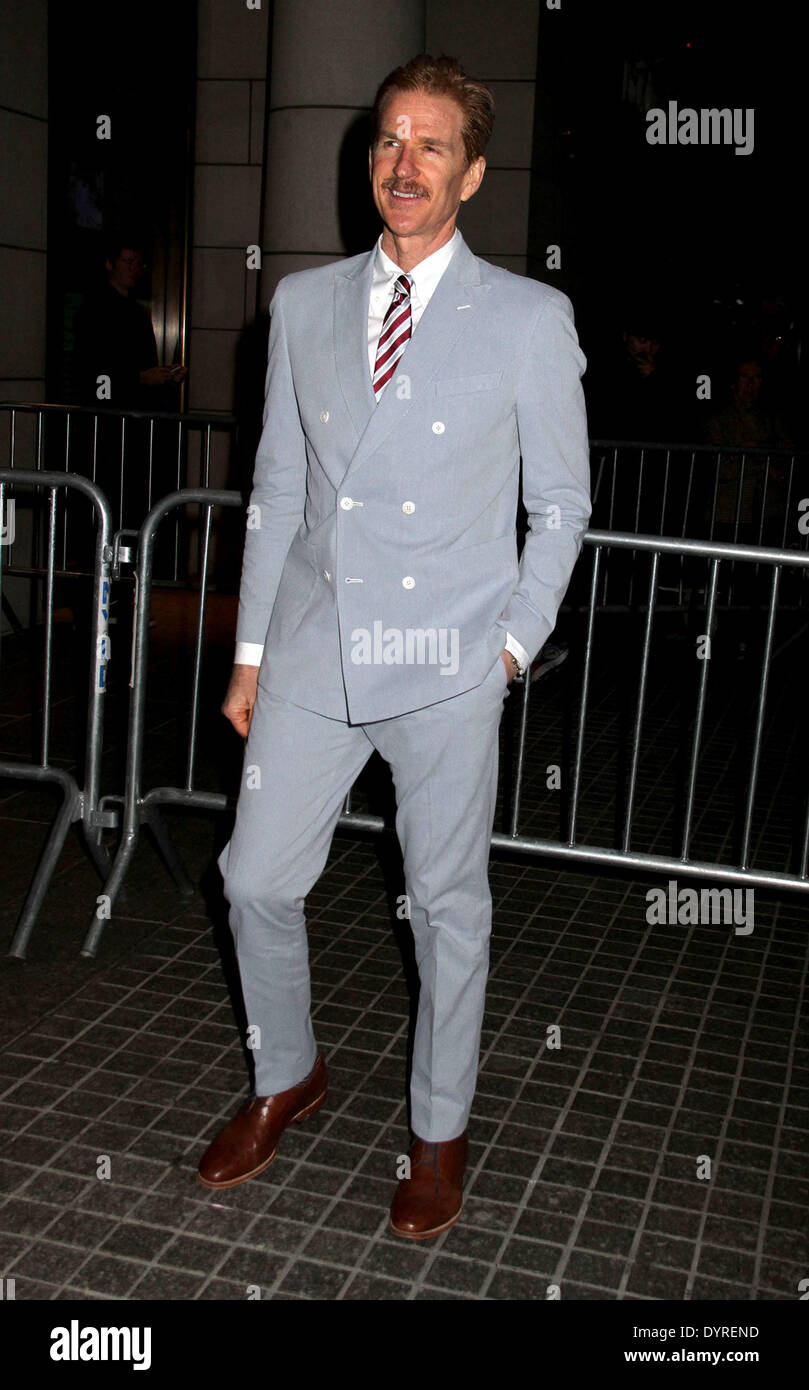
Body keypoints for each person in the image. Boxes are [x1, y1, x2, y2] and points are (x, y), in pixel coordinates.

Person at [197, 54, 591, 1239]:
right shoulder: (305, 306)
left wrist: (509, 648)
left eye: (428, 145)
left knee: (444, 905)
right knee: (253, 878)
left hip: (447, 664)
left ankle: (436, 1129)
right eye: (384, 140)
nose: (399, 162)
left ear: (469, 173)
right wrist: (252, 653)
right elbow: (276, 487)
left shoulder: (527, 318)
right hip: (315, 654)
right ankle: (287, 1073)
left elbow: (560, 505)